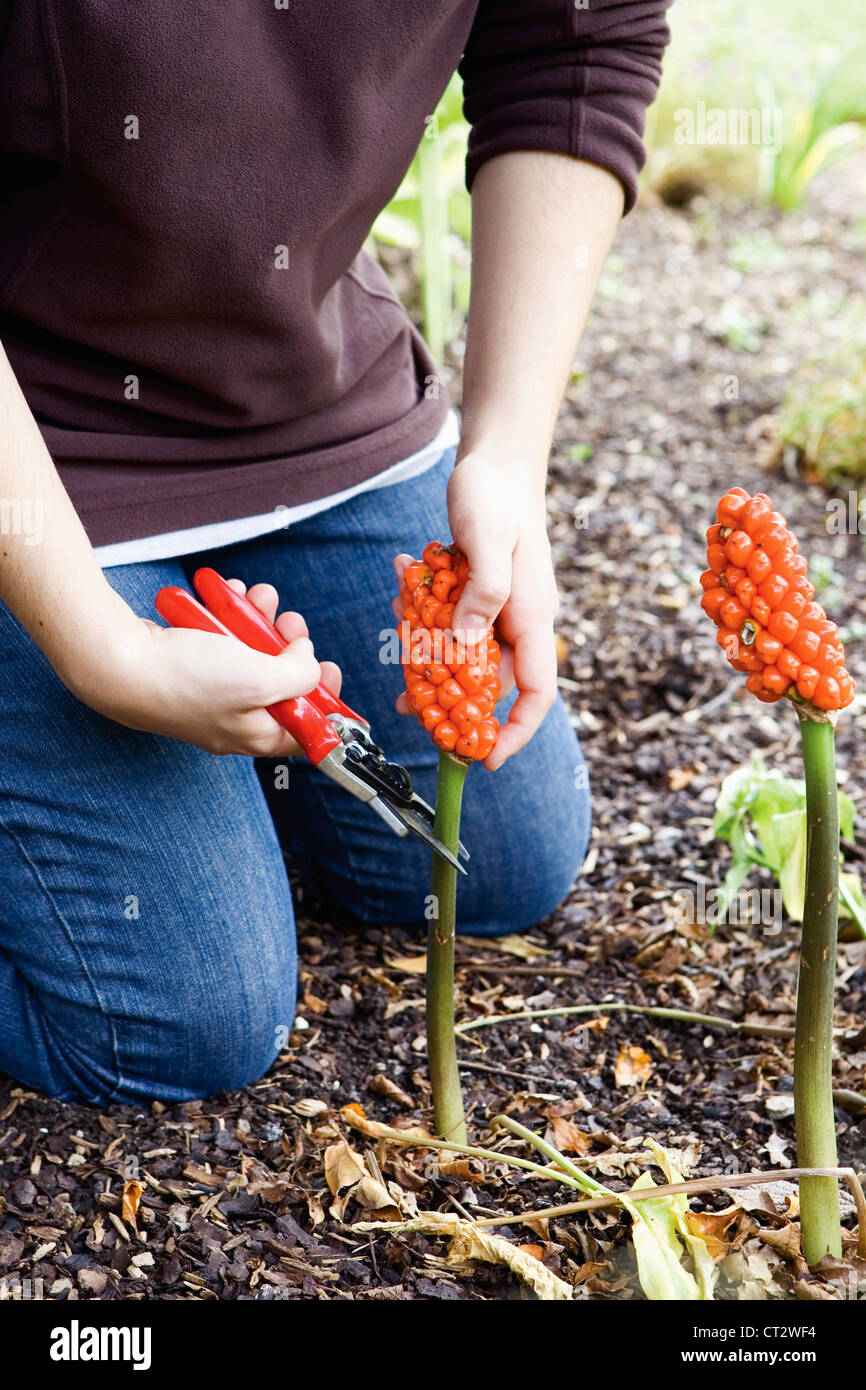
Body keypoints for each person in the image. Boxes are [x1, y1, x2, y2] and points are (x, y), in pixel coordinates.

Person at [0, 0, 671, 1104]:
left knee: (493, 867)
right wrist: (100, 653)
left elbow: (574, 45)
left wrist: (504, 458)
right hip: (35, 436)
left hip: (306, 386)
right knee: (179, 1021)